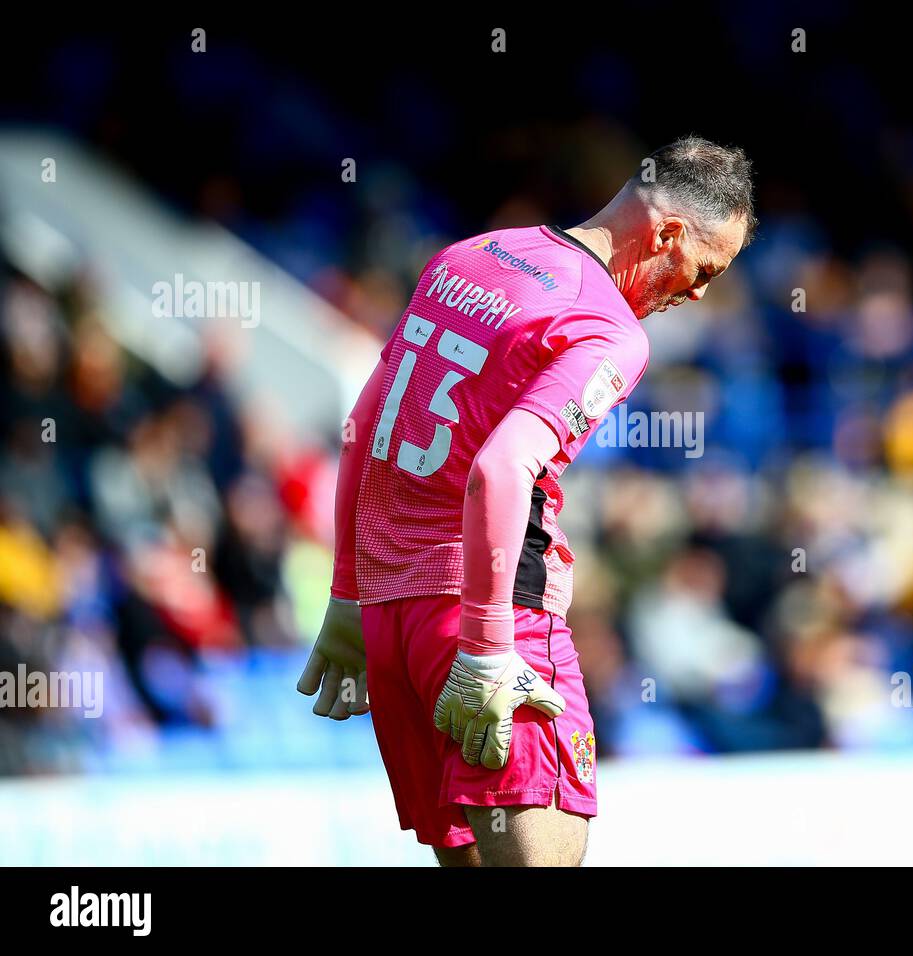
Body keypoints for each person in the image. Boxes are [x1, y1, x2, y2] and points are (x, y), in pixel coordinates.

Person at [297, 136, 756, 866]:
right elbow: (502, 468)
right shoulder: (609, 328)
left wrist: (351, 595)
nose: (698, 293)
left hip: (392, 618)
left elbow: (367, 427)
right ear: (667, 232)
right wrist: (484, 650)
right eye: (705, 269)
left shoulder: (468, 257)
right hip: (493, 615)